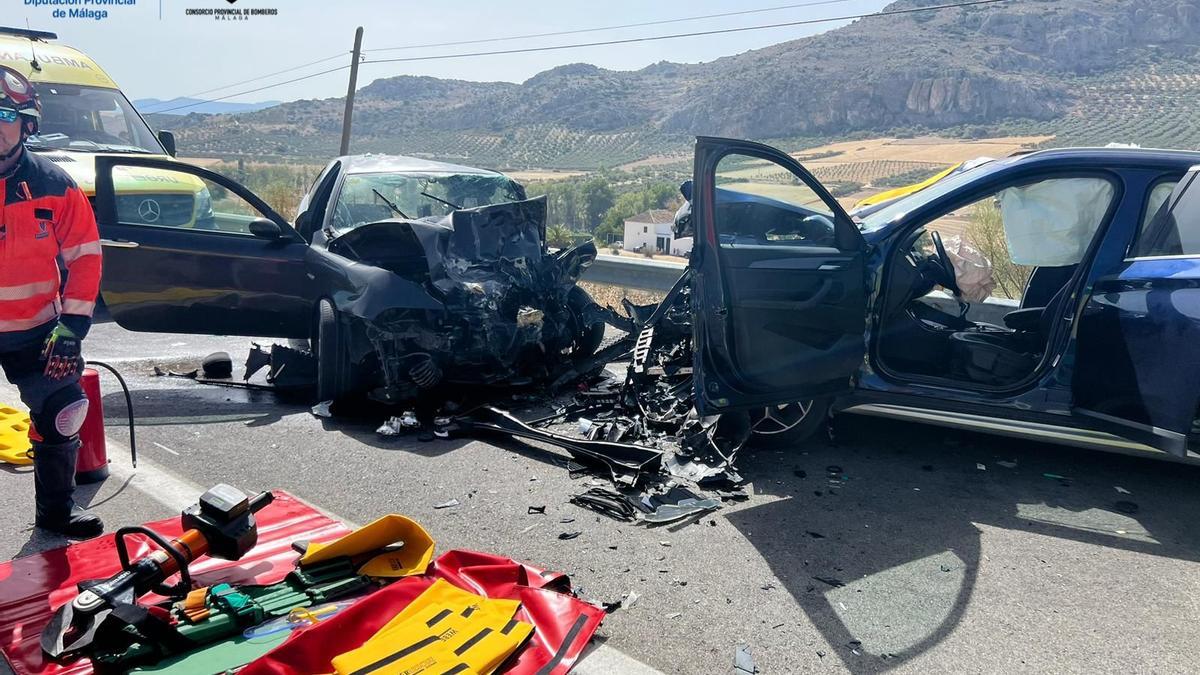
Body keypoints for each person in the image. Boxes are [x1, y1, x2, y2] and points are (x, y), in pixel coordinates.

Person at [0, 65, 103, 538]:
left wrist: (72, 328)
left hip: (37, 328)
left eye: (4, 113)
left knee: (63, 412)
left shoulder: (55, 185)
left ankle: (57, 514)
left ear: (27, 124)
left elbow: (85, 257)